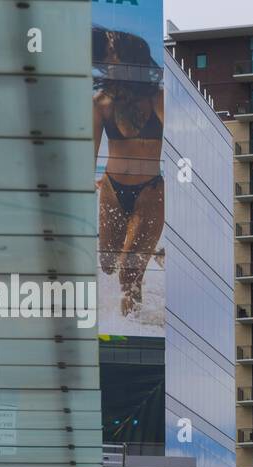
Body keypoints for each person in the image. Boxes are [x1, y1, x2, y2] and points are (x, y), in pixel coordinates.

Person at [92, 27, 166, 319]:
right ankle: (154, 252)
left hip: (150, 191)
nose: (109, 60)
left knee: (128, 271)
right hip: (111, 189)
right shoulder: (101, 103)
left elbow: (179, 147)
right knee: (108, 264)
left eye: (114, 54)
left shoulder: (158, 100)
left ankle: (132, 326)